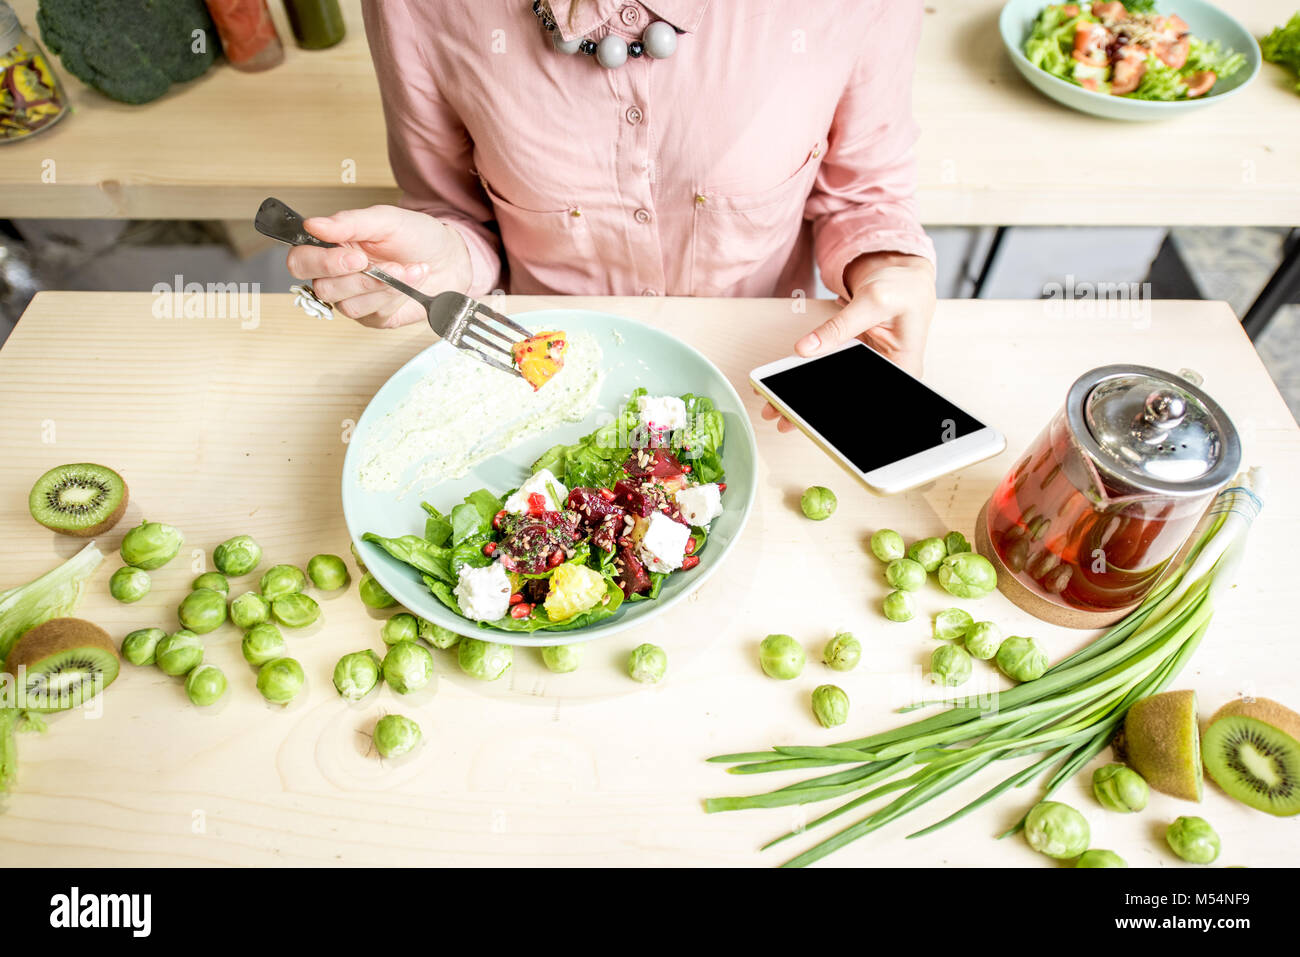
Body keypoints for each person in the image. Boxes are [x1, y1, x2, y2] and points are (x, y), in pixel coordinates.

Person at [287, 1, 936, 431]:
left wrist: (890, 265)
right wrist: (437, 261)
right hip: (545, 389)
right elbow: (458, 215)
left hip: (767, 391)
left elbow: (863, 195)